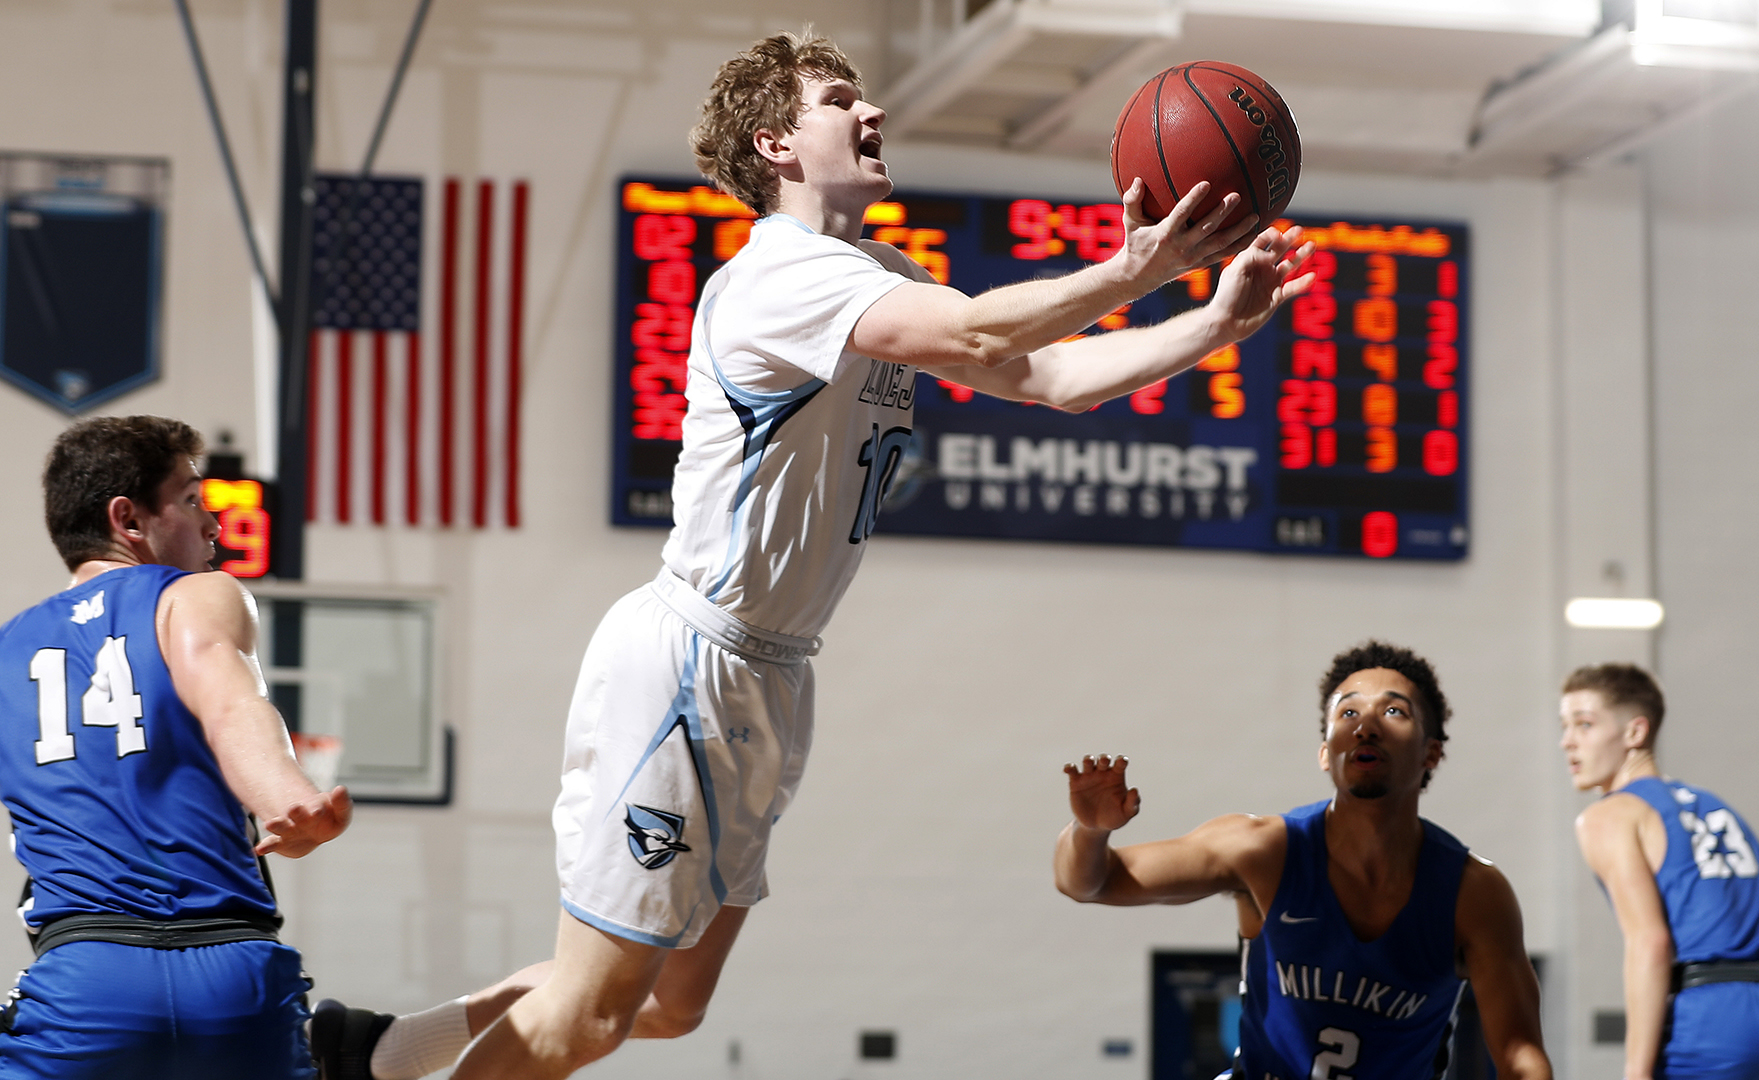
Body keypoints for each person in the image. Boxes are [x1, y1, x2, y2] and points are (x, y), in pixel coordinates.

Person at [320, 26, 1318, 1080]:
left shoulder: (872, 272)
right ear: (776, 145)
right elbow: (982, 334)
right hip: (687, 669)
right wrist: (1138, 263)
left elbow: (1051, 379)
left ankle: (374, 1055)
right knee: (591, 1014)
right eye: (843, 99)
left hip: (772, 677)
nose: (872, 112)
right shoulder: (779, 277)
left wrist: (1210, 328)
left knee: (666, 1006)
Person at [0, 416, 352, 1076]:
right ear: (129, 519)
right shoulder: (193, 598)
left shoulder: (6, 651)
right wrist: (283, 793)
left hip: (85, 985)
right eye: (193, 500)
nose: (215, 524)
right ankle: (360, 1053)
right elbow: (229, 704)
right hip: (231, 979)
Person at [1055, 641, 1552, 1080]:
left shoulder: (1474, 893)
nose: (1367, 726)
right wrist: (1090, 831)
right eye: (1348, 713)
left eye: (1394, 712)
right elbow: (1089, 884)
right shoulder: (1263, 849)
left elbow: (1520, 1056)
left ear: (1431, 753)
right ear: (1324, 752)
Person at [1559, 662, 1759, 1080]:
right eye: (1565, 726)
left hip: (1714, 1015)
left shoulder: (1608, 816)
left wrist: (1636, 1071)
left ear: (1635, 732)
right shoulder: (1718, 807)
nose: (1567, 742)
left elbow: (1650, 943)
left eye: (1584, 725)